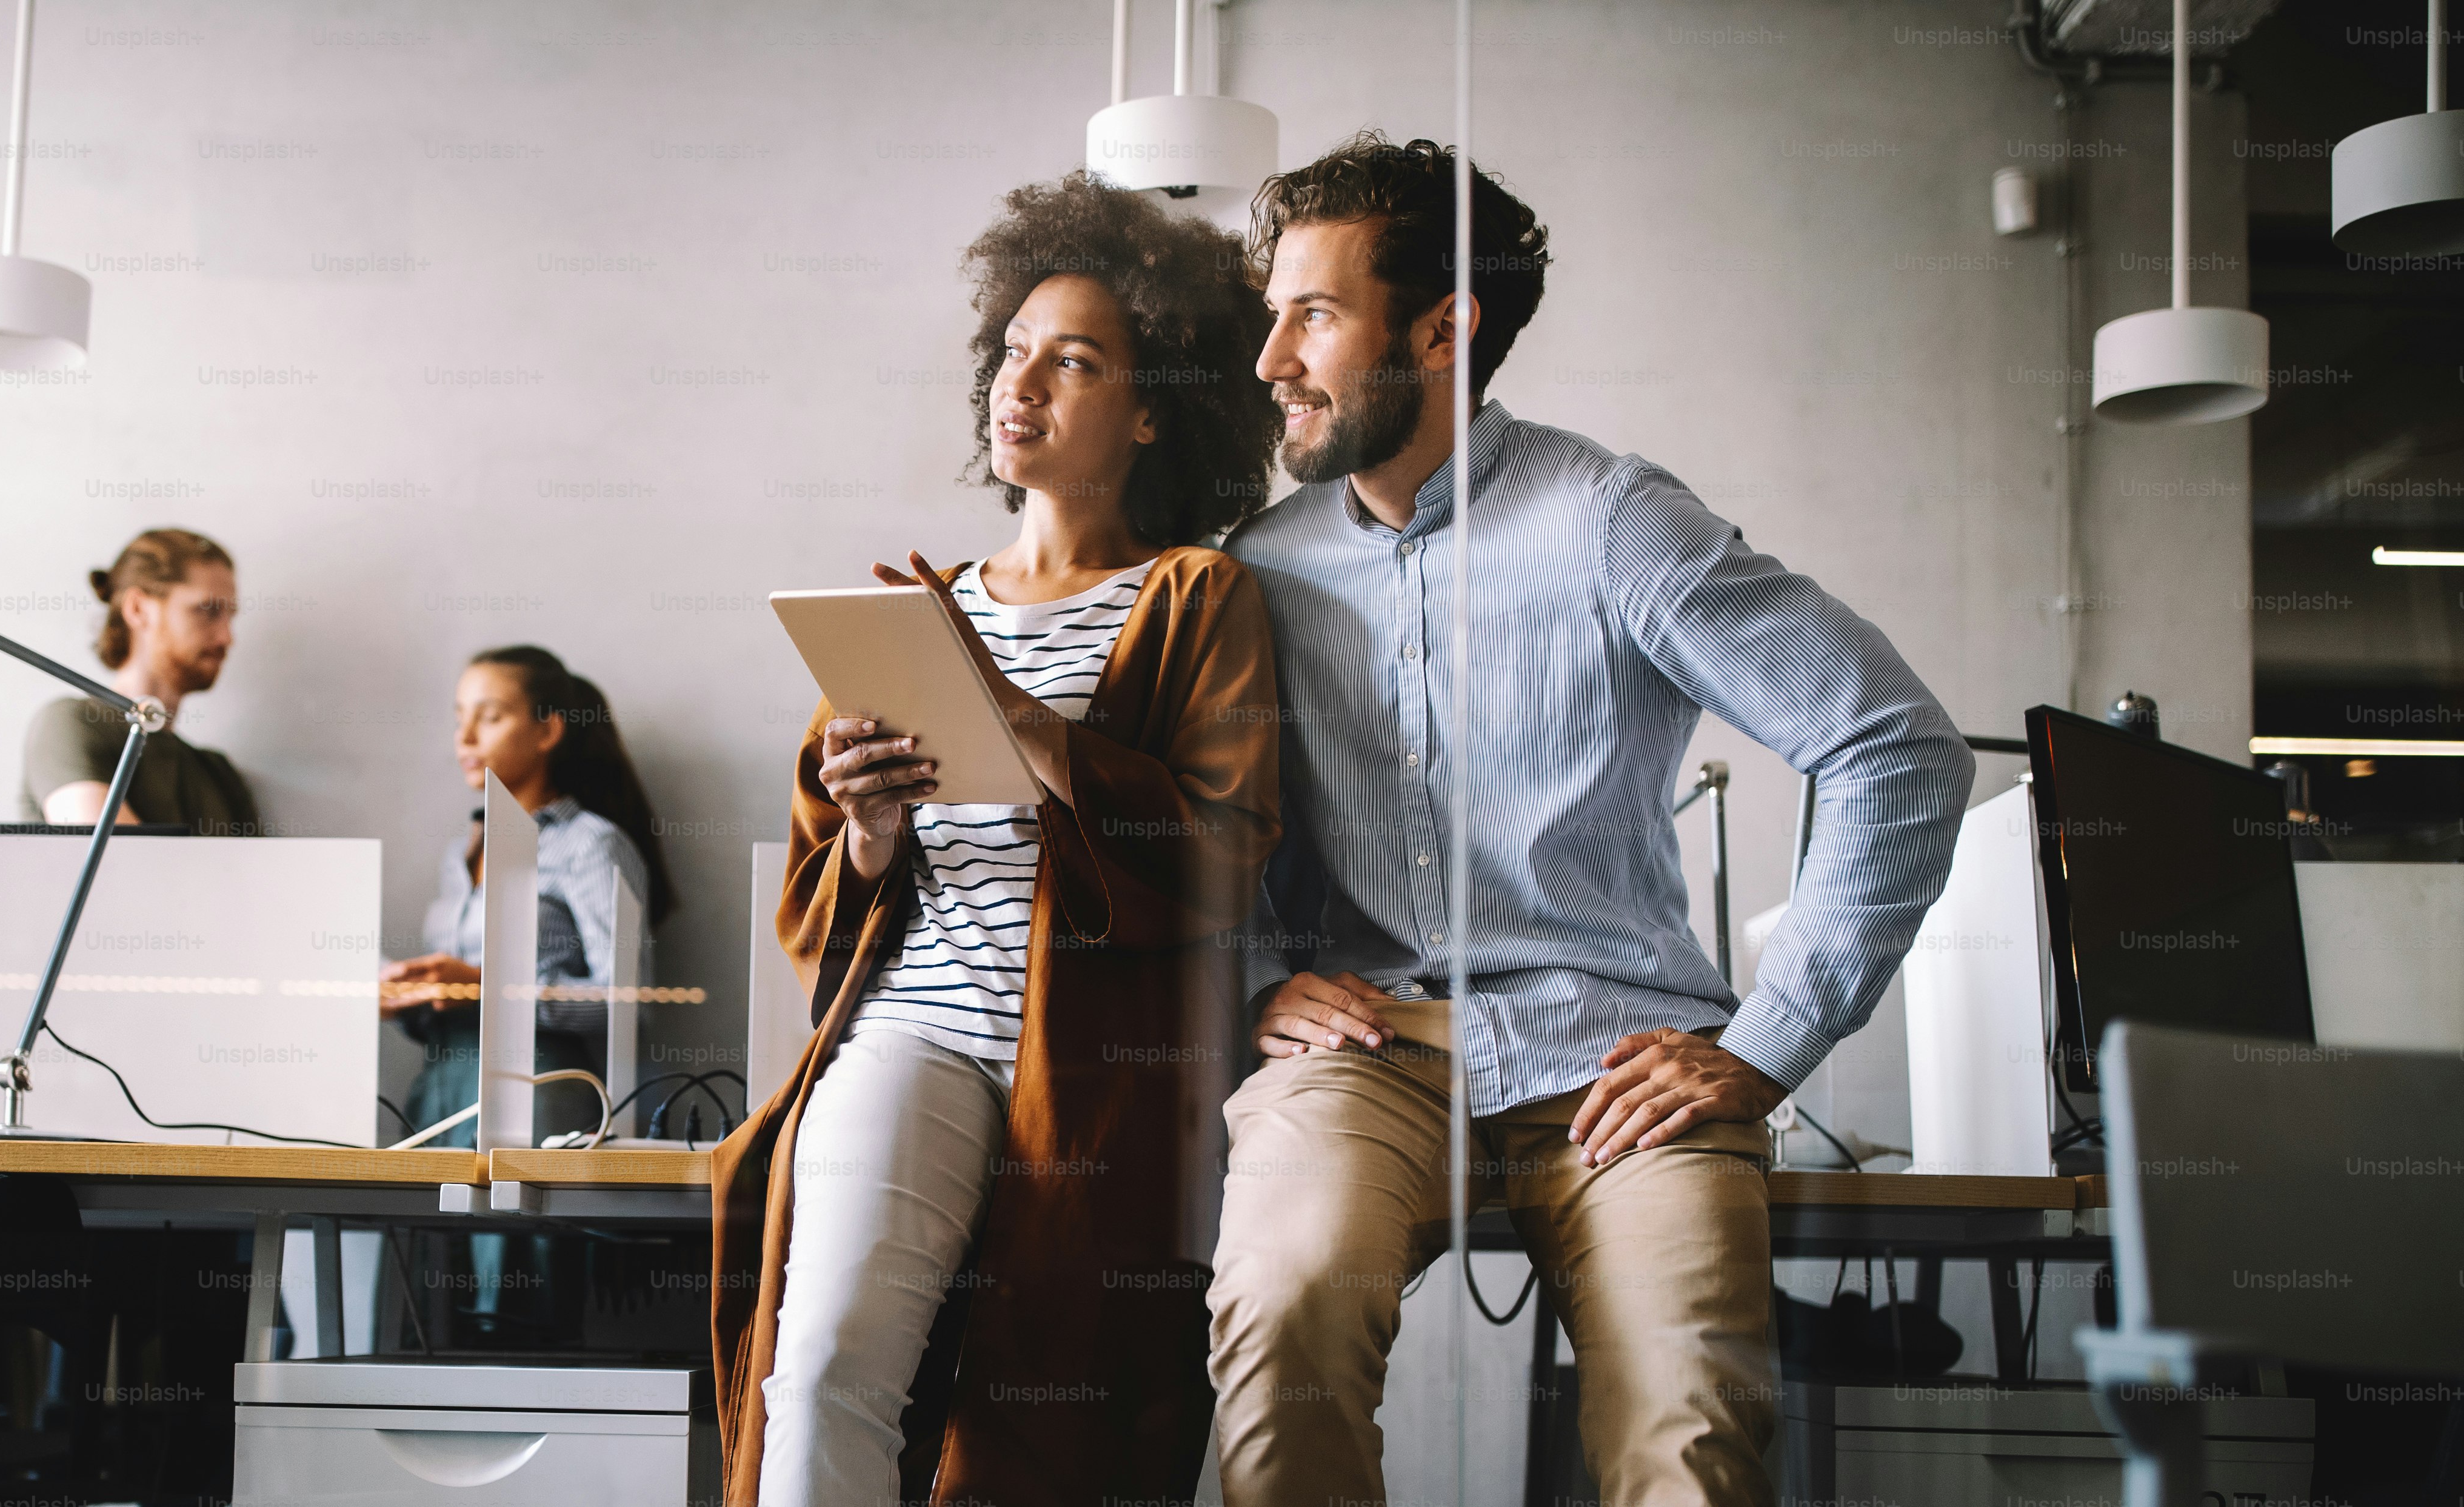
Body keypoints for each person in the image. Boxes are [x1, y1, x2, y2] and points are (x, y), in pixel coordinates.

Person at [1205, 134, 1975, 1506]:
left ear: (1441, 330)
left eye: (1311, 314)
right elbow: (1210, 825)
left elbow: (1891, 748)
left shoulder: (1609, 523)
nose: (1270, 358)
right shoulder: (1257, 570)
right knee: (1282, 1319)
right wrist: (1259, 978)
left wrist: (1766, 1043)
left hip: (1617, 1053)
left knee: (1689, 1426)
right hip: (1370, 1052)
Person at [707, 173, 1284, 1507]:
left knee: (1042, 1416)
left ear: (1152, 411)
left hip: (1093, 1069)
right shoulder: (922, 606)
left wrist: (1015, 714)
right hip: (911, 1025)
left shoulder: (1199, 596)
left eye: (1074, 360)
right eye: (1014, 351)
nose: (1022, 383)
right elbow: (822, 894)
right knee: (829, 1359)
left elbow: (1222, 846)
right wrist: (865, 827)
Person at [380, 646, 676, 1148]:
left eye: (490, 717)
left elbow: (627, 1002)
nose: (466, 737)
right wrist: (413, 997)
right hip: (442, 1089)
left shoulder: (590, 843)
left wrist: (485, 986)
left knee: (514, 1223)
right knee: (429, 1226)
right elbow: (462, 993)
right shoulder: (462, 851)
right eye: (459, 718)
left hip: (540, 1094)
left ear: (548, 731)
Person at [20, 527, 259, 834]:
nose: (227, 637)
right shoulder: (72, 723)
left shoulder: (218, 774)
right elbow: (118, 870)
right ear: (138, 609)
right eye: (207, 610)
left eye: (231, 616)